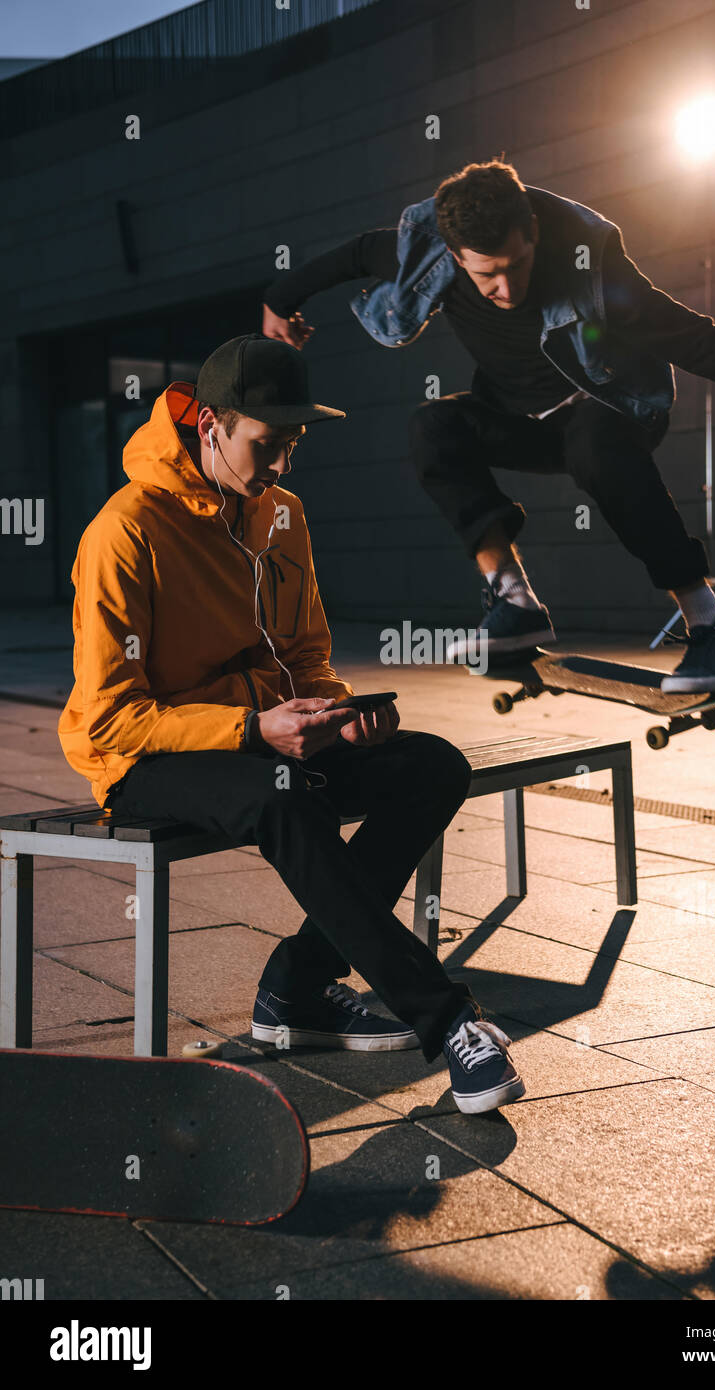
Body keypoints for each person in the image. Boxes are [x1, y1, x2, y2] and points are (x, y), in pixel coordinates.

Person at [57, 333, 525, 1115]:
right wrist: (249, 731)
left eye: (292, 446)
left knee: (432, 765)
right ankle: (447, 1024)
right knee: (283, 796)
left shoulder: (282, 515)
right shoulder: (126, 531)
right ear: (209, 425)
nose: (280, 466)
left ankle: (296, 988)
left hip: (267, 734)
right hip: (147, 757)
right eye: (266, 445)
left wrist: (336, 716)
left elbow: (305, 652)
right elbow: (111, 715)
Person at [262, 158, 715, 693]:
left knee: (594, 441)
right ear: (455, 256)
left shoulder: (595, 269)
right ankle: (514, 600)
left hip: (611, 412)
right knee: (434, 427)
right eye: (485, 275)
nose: (504, 288)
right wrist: (280, 299)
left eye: (516, 266)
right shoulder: (430, 249)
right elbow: (347, 257)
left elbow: (713, 348)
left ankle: (711, 626)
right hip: (519, 422)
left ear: (534, 232)